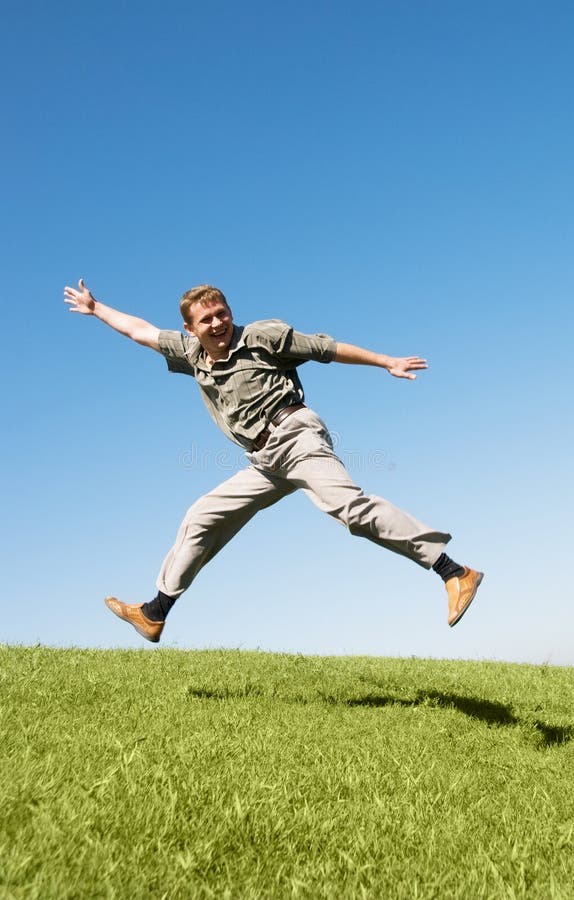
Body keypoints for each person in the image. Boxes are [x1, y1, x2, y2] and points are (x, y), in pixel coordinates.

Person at [63, 279, 483, 643]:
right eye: (206, 320)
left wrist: (386, 361)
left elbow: (327, 348)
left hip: (296, 437)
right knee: (202, 516)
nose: (218, 323)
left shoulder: (262, 336)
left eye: (222, 313)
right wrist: (96, 308)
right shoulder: (191, 353)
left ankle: (453, 571)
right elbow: (141, 331)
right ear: (191, 329)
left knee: (350, 510)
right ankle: (155, 612)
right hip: (264, 460)